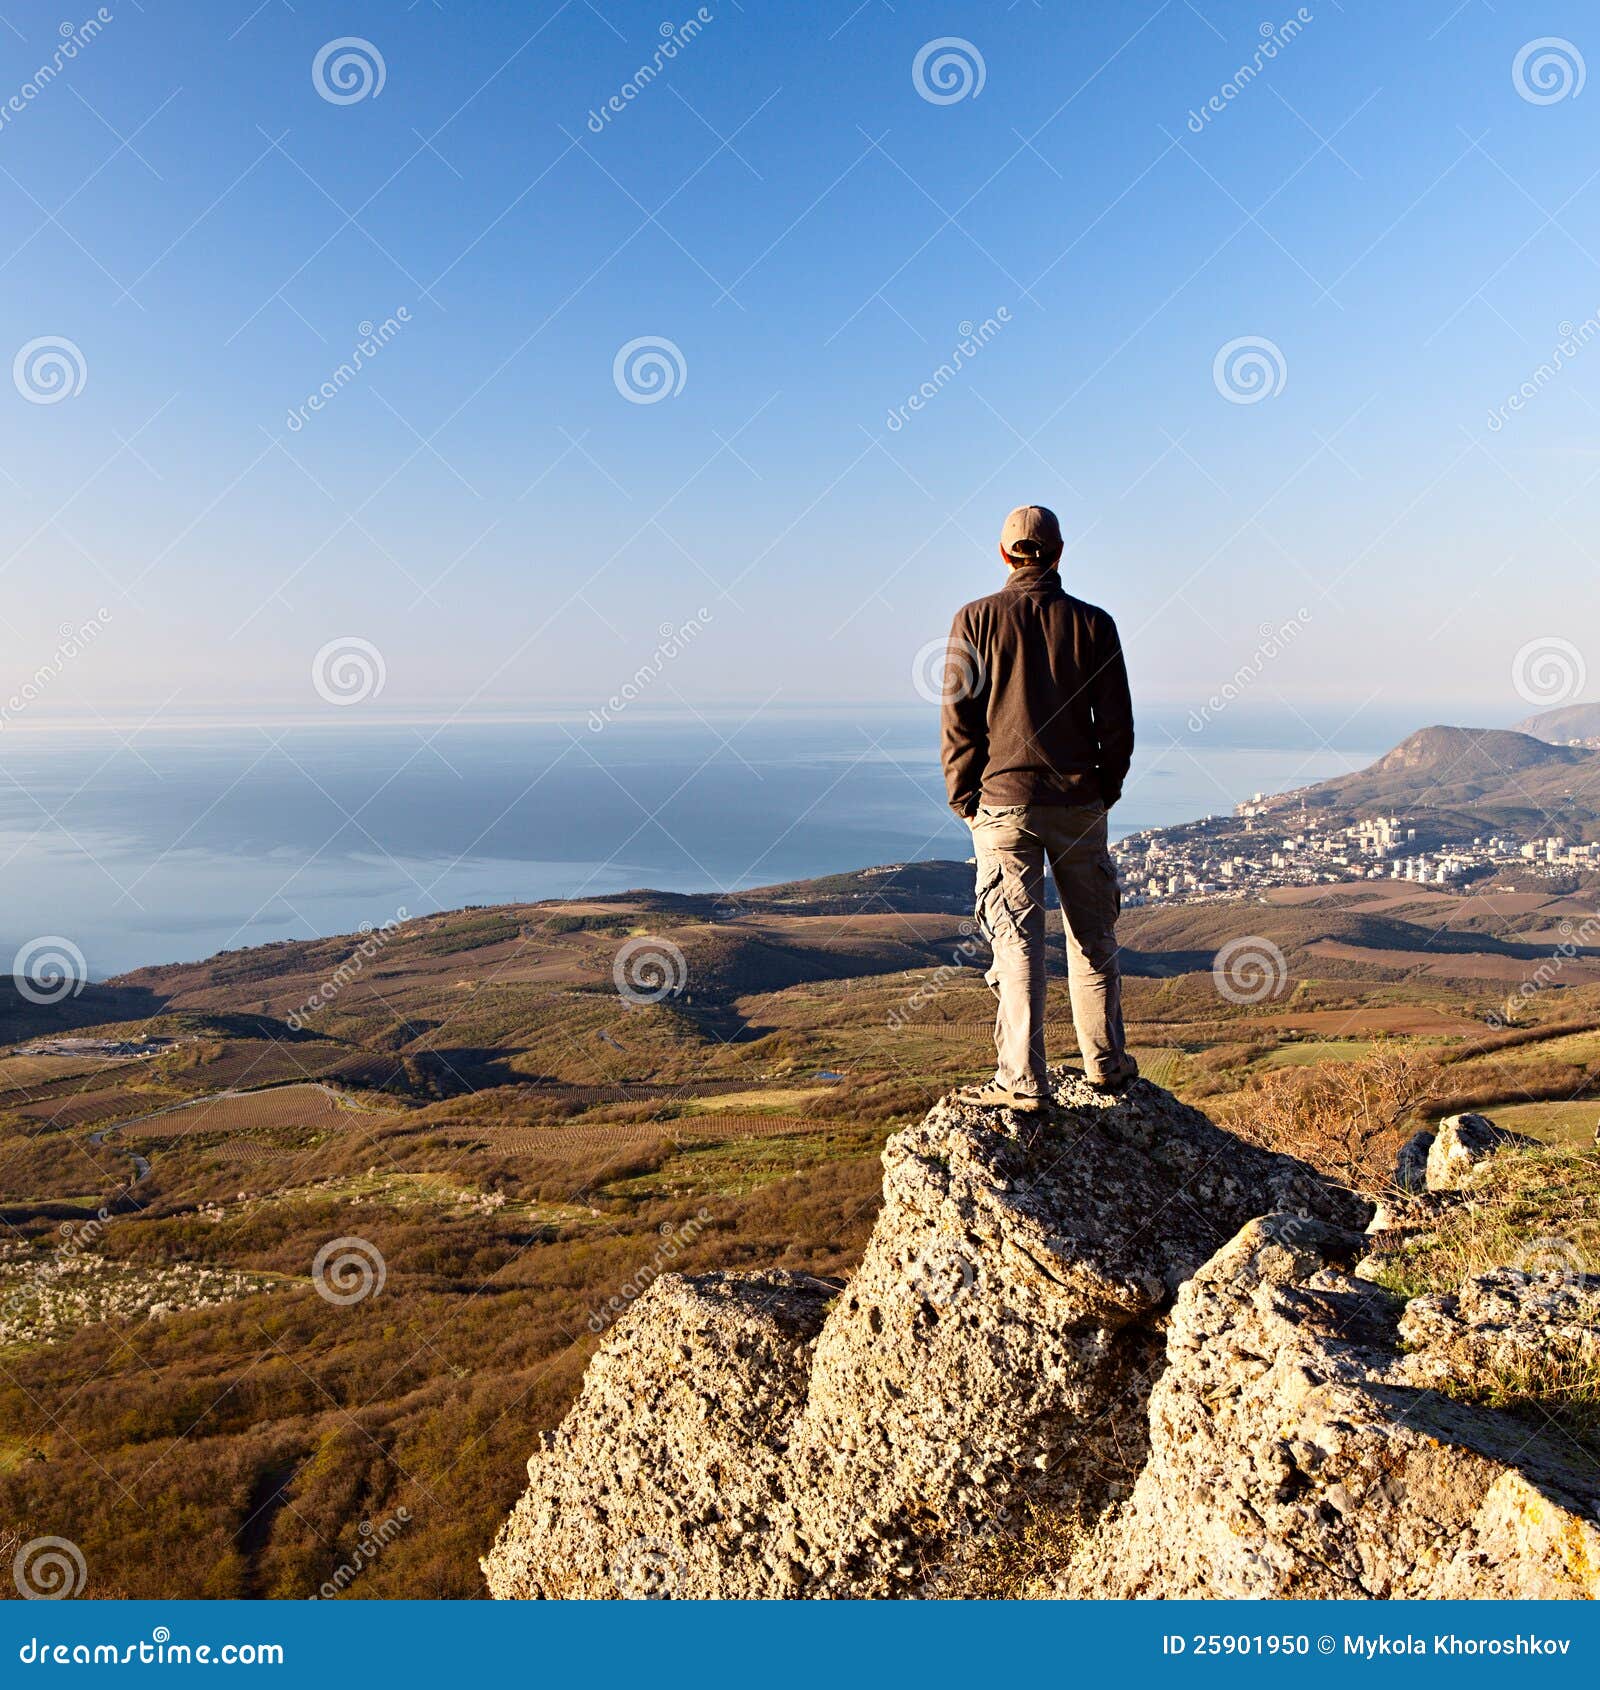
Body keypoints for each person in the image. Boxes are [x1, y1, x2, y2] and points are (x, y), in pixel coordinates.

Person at [939, 504, 1136, 1111]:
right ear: (1059, 552)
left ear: (1004, 554)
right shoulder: (1094, 624)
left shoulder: (974, 620)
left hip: (1002, 803)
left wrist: (965, 798)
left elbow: (959, 721)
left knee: (1017, 941)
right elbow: (1118, 724)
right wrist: (1104, 789)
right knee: (1091, 937)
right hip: (1078, 803)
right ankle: (1105, 1064)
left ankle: (1023, 1080)